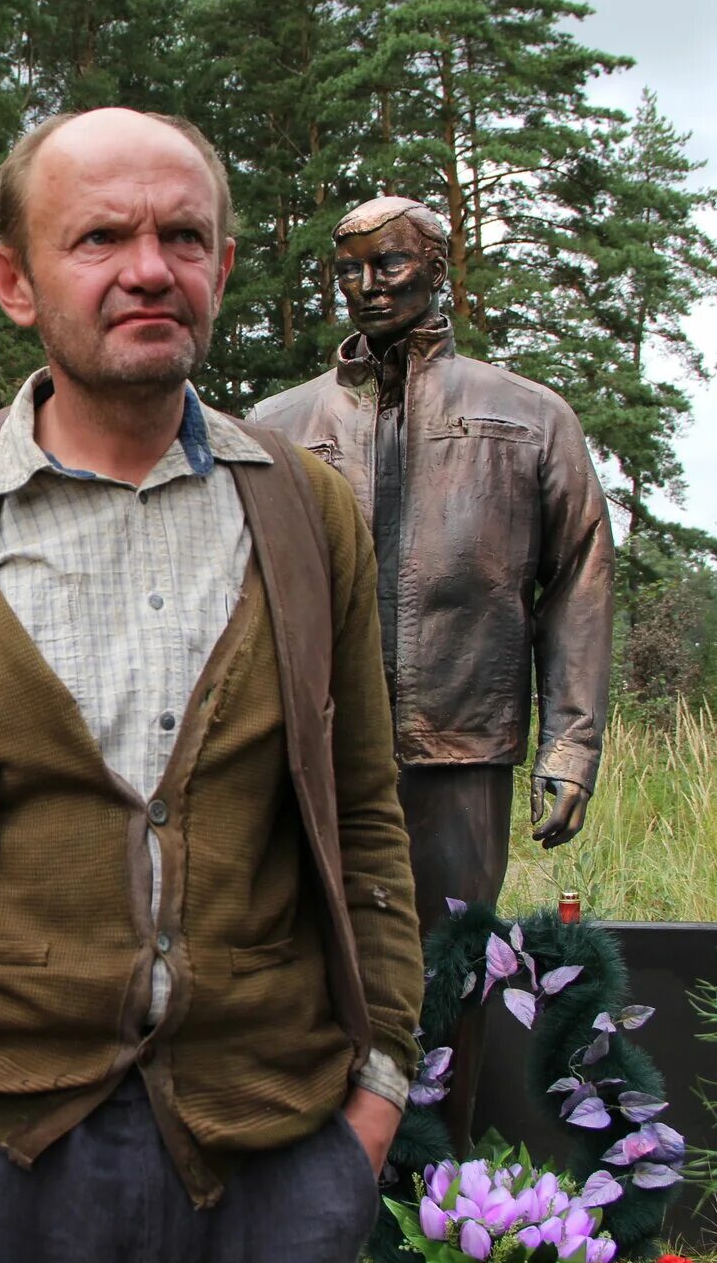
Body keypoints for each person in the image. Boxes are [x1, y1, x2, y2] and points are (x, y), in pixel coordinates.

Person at [0, 109, 422, 1263]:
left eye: (184, 236)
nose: (150, 269)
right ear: (15, 282)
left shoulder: (311, 517)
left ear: (220, 265)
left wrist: (374, 1101)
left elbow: (365, 810)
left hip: (273, 1150)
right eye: (101, 237)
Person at [251, 196, 614, 1146]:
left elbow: (578, 575)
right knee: (298, 964)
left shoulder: (527, 418)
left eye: (391, 263)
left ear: (439, 267)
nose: (368, 285)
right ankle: (309, 1186)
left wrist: (571, 744)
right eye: (351, 268)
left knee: (451, 968)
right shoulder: (278, 426)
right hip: (309, 752)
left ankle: (438, 1192)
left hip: (462, 742)